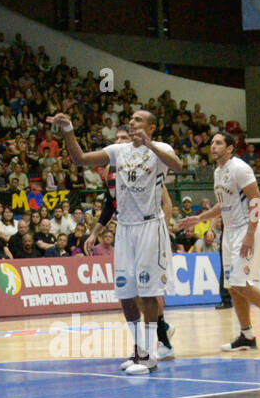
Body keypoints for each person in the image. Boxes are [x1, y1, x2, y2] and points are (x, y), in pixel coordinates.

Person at [50, 108, 182, 375]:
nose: (132, 122)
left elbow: (179, 166)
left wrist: (150, 145)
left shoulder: (160, 148)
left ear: (152, 126)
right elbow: (80, 159)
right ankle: (138, 350)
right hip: (124, 228)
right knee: (125, 294)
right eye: (131, 119)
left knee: (147, 292)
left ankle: (150, 354)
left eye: (138, 119)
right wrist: (68, 130)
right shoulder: (118, 151)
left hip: (149, 226)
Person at [177, 132, 260, 350]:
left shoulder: (240, 168)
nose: (213, 146)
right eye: (211, 142)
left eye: (218, 143)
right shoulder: (218, 172)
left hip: (245, 230)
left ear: (230, 148)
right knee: (232, 287)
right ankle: (247, 336)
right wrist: (200, 218)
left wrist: (250, 233)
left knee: (240, 282)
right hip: (229, 233)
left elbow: (257, 200)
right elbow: (223, 205)